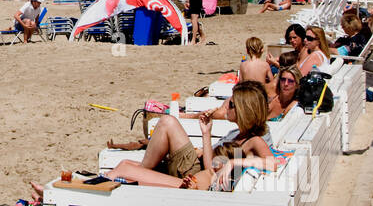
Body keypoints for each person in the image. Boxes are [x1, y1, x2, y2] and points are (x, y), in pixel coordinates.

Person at [100, 81, 279, 191]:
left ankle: (98, 188)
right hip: (196, 180)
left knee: (126, 168)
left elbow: (273, 163)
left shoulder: (254, 140)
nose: (226, 105)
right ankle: (106, 182)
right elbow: (210, 167)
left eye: (231, 104)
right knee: (124, 165)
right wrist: (206, 132)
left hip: (193, 188)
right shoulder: (239, 134)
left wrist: (234, 162)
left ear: (243, 110)